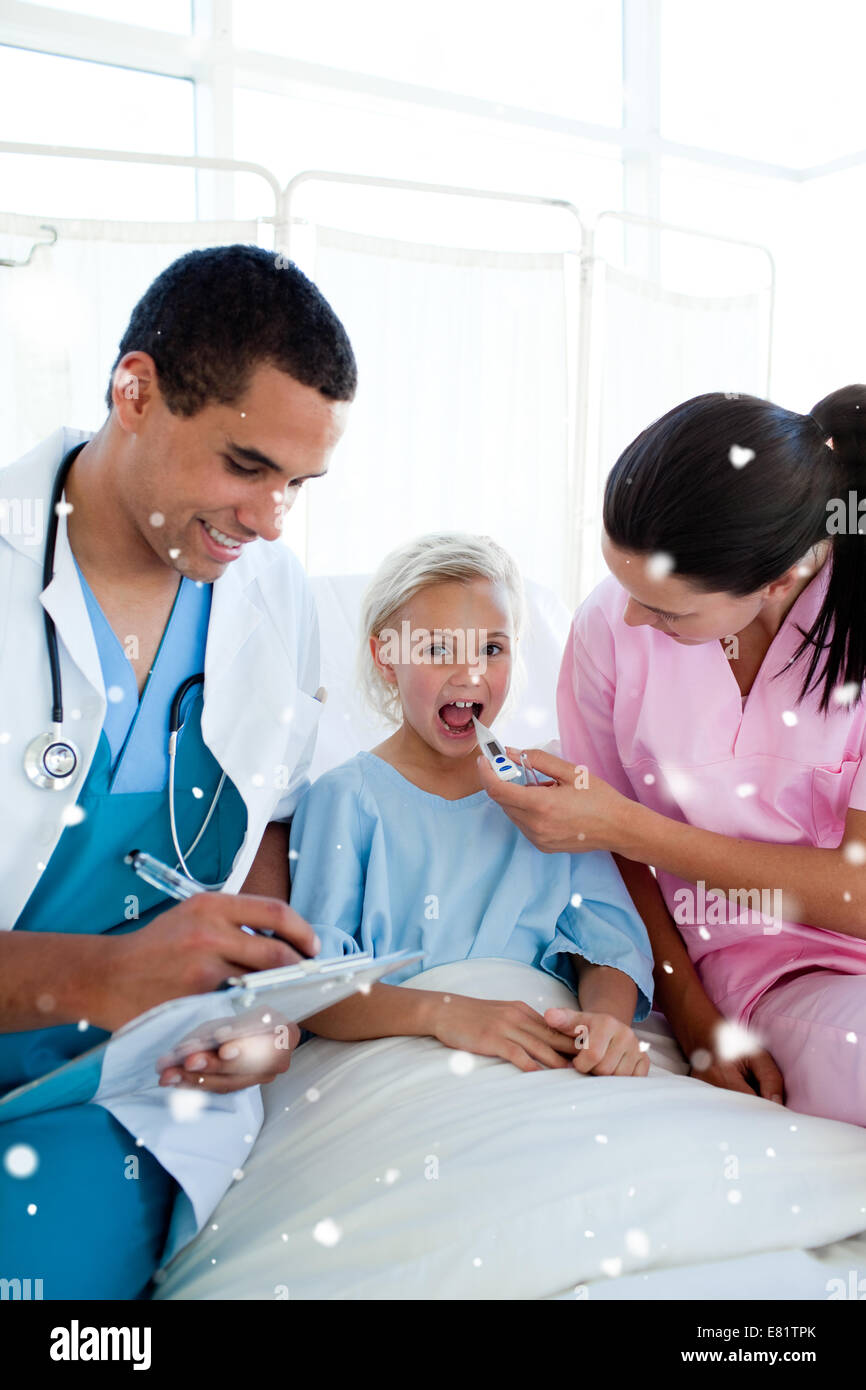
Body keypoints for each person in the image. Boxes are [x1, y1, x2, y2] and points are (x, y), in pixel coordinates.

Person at [0, 244, 357, 1297]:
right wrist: (100, 976)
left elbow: (273, 819)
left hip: (105, 1090)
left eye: (296, 484)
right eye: (245, 467)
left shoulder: (272, 595)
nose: (267, 518)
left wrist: (260, 1006)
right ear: (136, 391)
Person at [478, 389, 866, 1128]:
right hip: (779, 975)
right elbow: (616, 862)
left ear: (778, 578)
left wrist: (628, 825)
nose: (629, 616)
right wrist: (691, 1017)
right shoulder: (608, 629)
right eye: (622, 586)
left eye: (667, 610)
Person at [287, 533, 654, 1073]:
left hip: (549, 1052)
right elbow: (317, 992)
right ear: (386, 658)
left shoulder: (551, 798)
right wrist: (448, 1013)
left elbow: (609, 945)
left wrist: (605, 1022)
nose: (471, 674)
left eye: (492, 648)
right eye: (437, 649)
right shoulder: (347, 799)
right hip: (406, 1055)